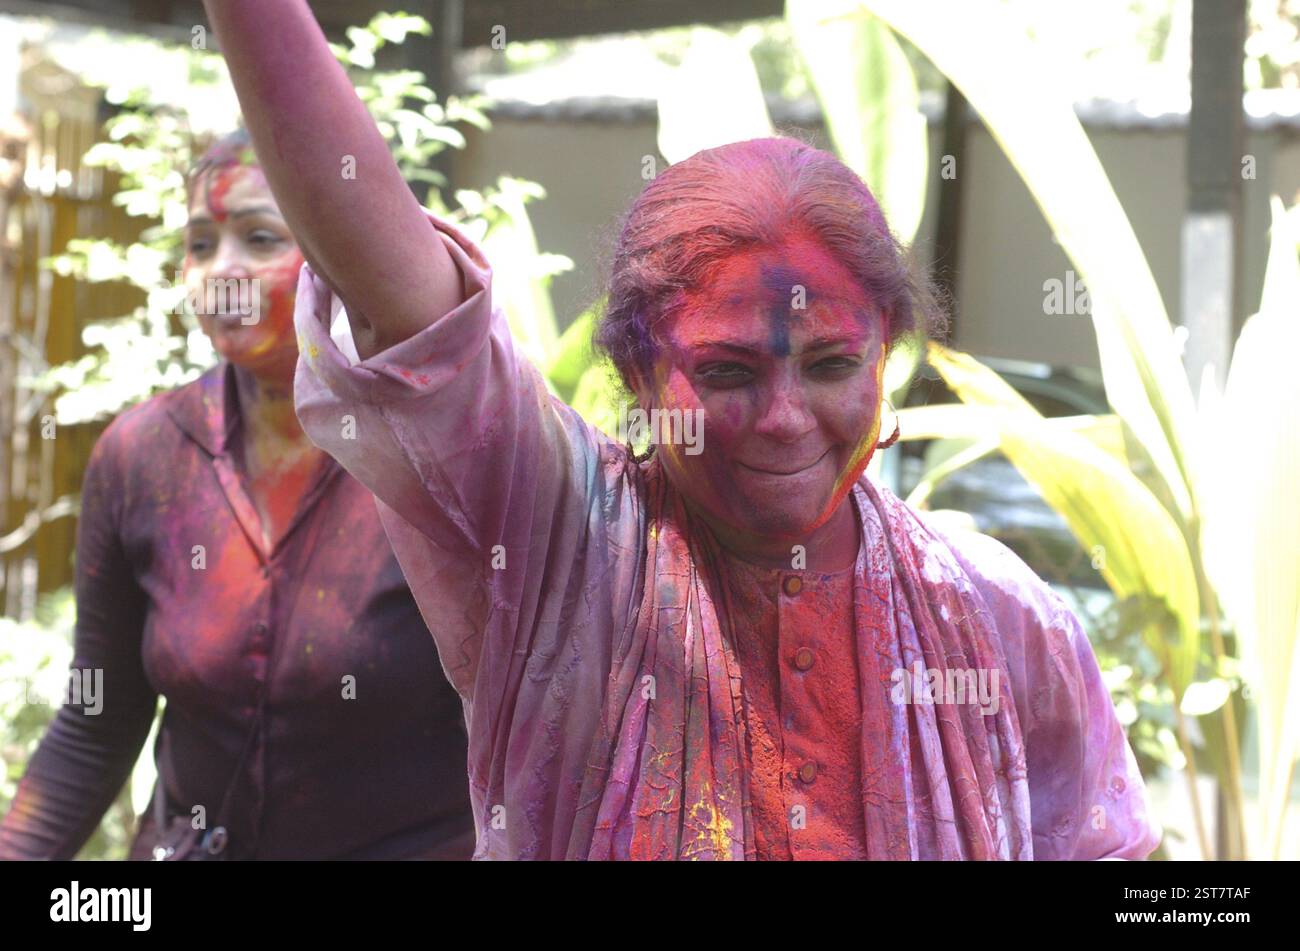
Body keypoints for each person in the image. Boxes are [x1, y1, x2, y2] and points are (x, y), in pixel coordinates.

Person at [205, 0, 1162, 860]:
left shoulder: (1002, 615)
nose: (785, 420)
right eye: (726, 372)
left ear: (887, 354)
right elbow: (396, 292)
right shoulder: (566, 549)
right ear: (634, 373)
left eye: (832, 364)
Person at [0, 129, 475, 861]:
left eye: (259, 238)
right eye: (199, 245)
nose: (221, 271)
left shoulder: (438, 458)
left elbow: (534, 725)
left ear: (342, 250)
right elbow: (98, 721)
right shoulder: (142, 457)